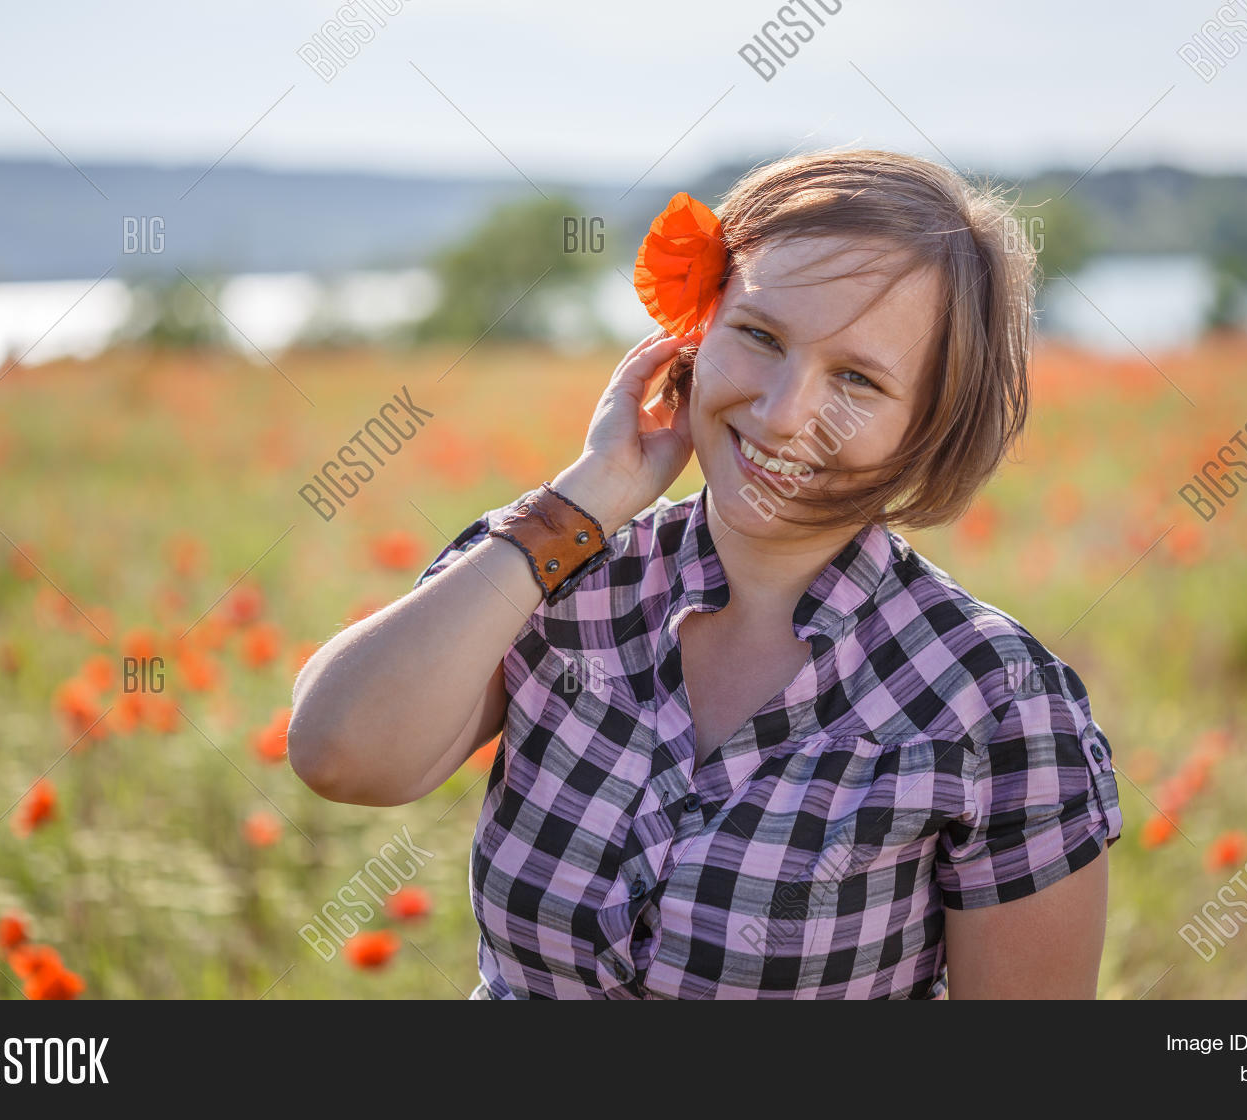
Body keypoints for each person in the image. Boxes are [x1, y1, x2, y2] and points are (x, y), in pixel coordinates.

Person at [288, 148, 1124, 999]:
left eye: (858, 381)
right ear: (694, 333)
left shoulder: (995, 705)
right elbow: (341, 752)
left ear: (931, 424)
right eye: (760, 336)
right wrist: (594, 493)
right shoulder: (562, 575)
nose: (782, 412)